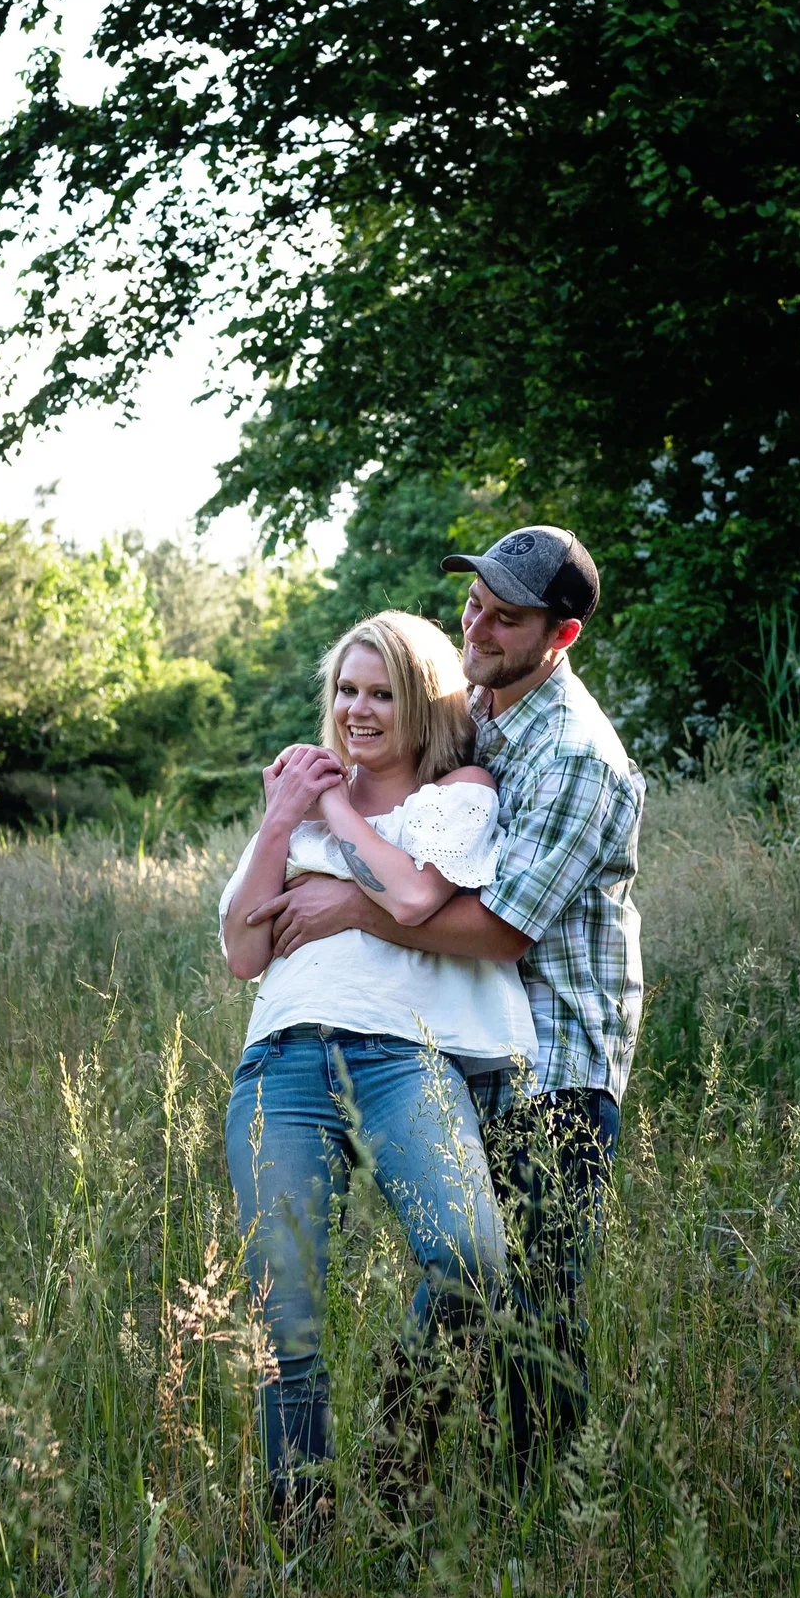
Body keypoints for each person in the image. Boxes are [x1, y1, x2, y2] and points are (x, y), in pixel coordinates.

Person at [247, 526, 643, 1468]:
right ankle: (402, 1479)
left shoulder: (579, 755)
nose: (479, 625)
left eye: (506, 618)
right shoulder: (478, 710)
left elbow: (503, 929)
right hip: (467, 1041)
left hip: (558, 1062)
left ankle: (528, 1507)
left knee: (535, 1307)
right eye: (474, 603)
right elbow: (396, 755)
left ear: (562, 636)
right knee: (465, 1277)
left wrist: (352, 905)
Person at [218, 611, 536, 1520]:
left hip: (404, 1059)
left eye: (381, 692)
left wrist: (325, 806)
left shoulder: (456, 790)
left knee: (470, 1261)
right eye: (345, 691)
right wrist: (281, 816)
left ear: (422, 700)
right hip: (282, 1058)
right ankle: (303, 1536)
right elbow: (243, 951)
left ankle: (397, 1468)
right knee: (287, 1319)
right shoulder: (296, 800)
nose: (357, 710)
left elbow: (409, 892)